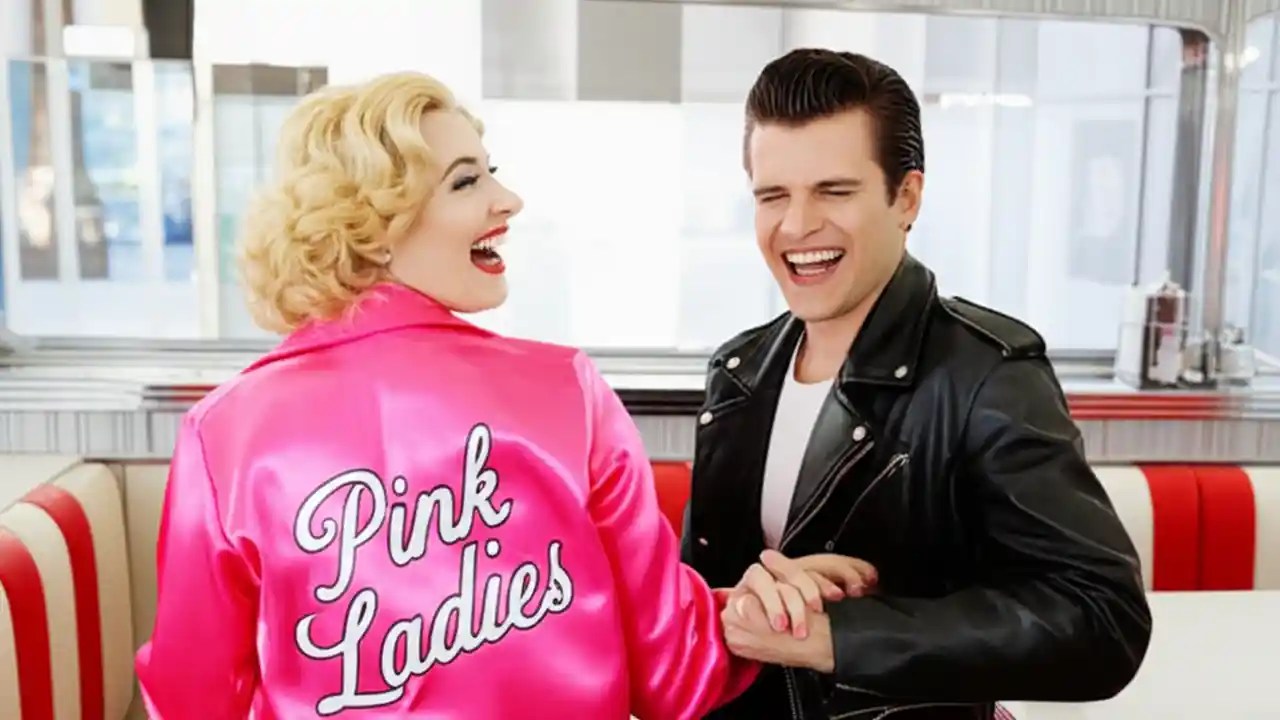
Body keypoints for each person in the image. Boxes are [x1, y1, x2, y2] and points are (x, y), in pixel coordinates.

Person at [134, 71, 871, 719]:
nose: (508, 199)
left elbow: (193, 694)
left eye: (491, 172)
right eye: (466, 181)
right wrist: (763, 608)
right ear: (373, 227)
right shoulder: (565, 393)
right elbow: (672, 676)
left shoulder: (223, 432)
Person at [681, 49, 1153, 719]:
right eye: (773, 195)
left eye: (833, 191)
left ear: (907, 197)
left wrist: (840, 636)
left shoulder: (987, 372)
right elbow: (691, 605)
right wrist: (742, 604)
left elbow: (1102, 620)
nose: (796, 225)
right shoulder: (738, 371)